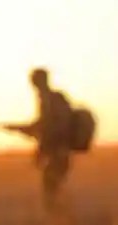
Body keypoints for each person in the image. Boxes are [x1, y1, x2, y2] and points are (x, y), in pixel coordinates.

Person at [6, 68, 77, 210]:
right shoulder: (52, 99)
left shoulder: (50, 101)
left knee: (51, 190)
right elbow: (43, 126)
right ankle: (61, 221)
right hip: (58, 151)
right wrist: (23, 129)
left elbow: (47, 128)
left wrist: (25, 130)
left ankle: (62, 224)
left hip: (58, 152)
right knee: (53, 189)